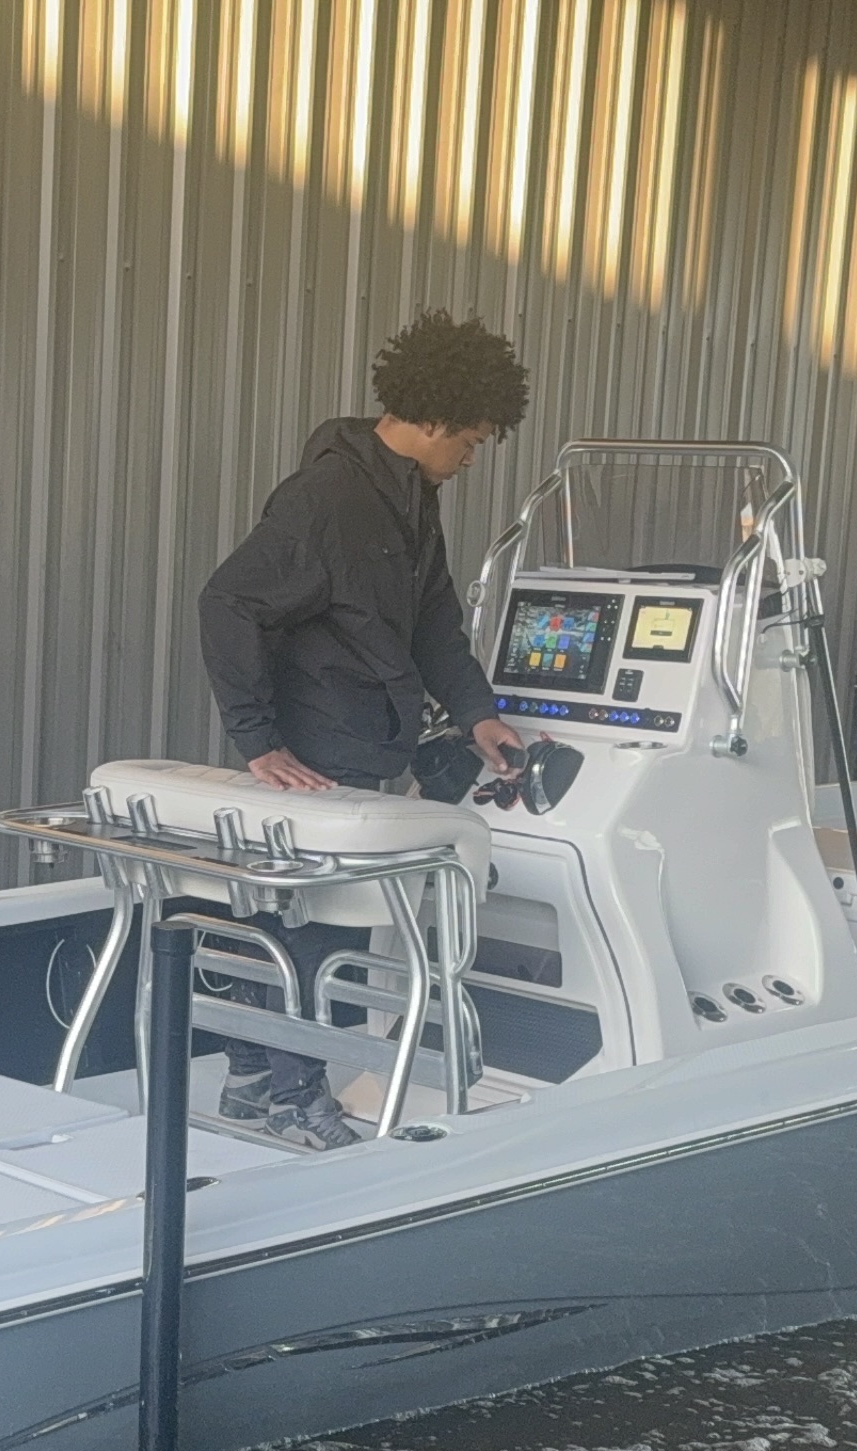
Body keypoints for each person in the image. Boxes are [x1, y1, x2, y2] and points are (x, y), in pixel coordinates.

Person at [195, 309, 531, 1149]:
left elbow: (434, 625)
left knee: (303, 922)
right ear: (434, 418)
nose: (472, 455)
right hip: (312, 757)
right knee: (313, 930)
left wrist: (479, 716)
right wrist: (258, 740)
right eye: (474, 440)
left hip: (365, 749)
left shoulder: (409, 501)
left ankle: (250, 1081)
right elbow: (228, 601)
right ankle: (296, 1100)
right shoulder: (328, 499)